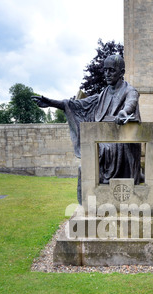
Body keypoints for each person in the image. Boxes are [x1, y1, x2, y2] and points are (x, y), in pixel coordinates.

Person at [32, 55, 142, 203]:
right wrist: (52, 103)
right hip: (101, 140)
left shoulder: (130, 90)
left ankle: (104, 193)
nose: (107, 74)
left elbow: (131, 103)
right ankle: (87, 202)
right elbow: (78, 105)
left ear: (121, 72)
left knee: (92, 160)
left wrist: (124, 112)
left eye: (112, 70)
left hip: (121, 142)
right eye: (105, 70)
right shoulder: (103, 94)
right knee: (85, 166)